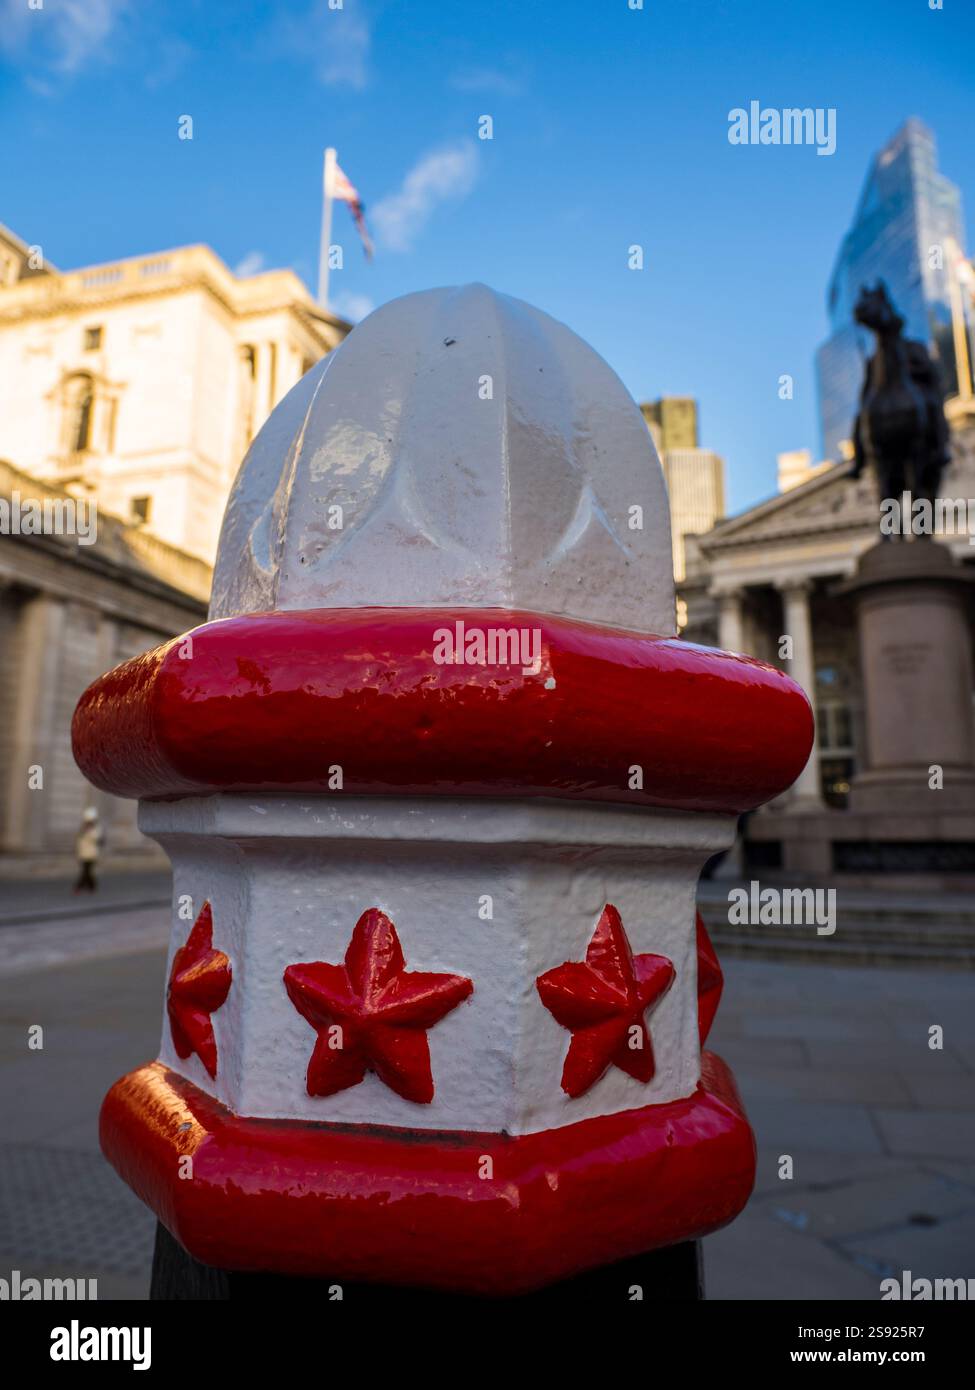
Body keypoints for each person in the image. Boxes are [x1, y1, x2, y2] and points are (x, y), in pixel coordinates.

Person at [74, 807, 101, 892]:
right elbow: (79, 842)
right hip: (83, 854)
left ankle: (78, 888)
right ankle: (92, 887)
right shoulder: (82, 830)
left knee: (86, 872)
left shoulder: (95, 830)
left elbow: (96, 838)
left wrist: (89, 831)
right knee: (87, 872)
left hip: (91, 854)